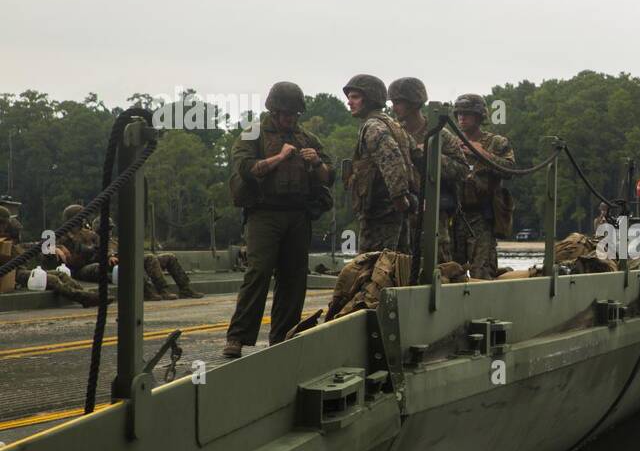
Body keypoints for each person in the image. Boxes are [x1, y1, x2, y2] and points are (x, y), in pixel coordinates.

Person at [222, 81, 334, 359]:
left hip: (298, 214)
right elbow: (246, 170)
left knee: (293, 278)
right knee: (258, 272)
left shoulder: (307, 139)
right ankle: (237, 337)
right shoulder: (254, 134)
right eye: (285, 113)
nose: (290, 119)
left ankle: (284, 336)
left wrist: (317, 163)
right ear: (273, 110)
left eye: (295, 114)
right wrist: (280, 157)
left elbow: (331, 176)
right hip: (265, 212)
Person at [387, 77, 470, 264]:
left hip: (433, 214)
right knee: (399, 266)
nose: (393, 107)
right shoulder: (394, 133)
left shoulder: (439, 134)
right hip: (402, 211)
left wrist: (433, 157)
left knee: (439, 264)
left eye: (398, 102)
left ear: (413, 103)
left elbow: (463, 170)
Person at [58, 204, 203, 301]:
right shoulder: (61, 234)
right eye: (82, 217)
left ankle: (172, 289)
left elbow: (103, 245)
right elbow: (45, 244)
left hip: (99, 261)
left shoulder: (89, 234)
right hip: (80, 269)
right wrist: (57, 249)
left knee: (151, 259)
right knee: (100, 268)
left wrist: (110, 255)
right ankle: (147, 291)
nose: (85, 220)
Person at [343, 74, 417, 254]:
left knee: (372, 269)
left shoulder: (373, 127)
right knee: (395, 267)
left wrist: (400, 197)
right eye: (349, 97)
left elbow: (392, 160)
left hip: (380, 214)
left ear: (369, 99)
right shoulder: (392, 124)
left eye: (355, 97)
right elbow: (418, 155)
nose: (349, 102)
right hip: (392, 211)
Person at [450, 93, 515, 280]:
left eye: (467, 113)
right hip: (454, 215)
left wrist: (482, 153)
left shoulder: (496, 142)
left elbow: (510, 169)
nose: (462, 117)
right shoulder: (450, 142)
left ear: (479, 116)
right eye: (459, 113)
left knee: (482, 271)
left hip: (482, 216)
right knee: (453, 271)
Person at [1, 206, 99, 307]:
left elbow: (34, 245)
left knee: (61, 274)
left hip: (17, 274)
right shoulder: (4, 244)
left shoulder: (12, 244)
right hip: (13, 275)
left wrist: (55, 247)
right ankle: (82, 298)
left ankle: (87, 294)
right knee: (52, 279)